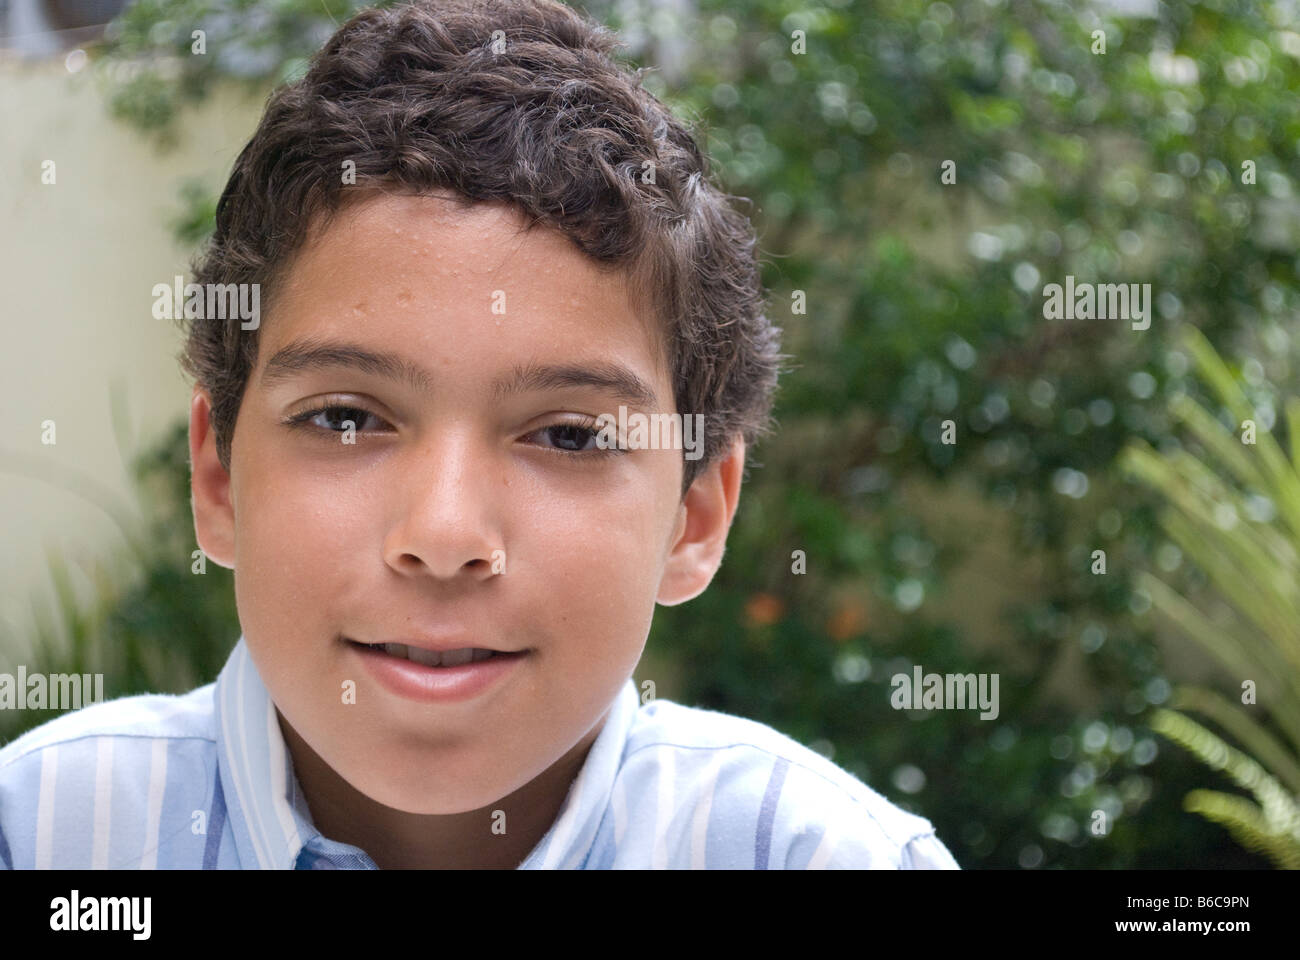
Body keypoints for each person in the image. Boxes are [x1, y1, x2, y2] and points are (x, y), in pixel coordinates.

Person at [0, 0, 958, 869]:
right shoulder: (43, 834)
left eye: (571, 437)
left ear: (695, 515)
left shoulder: (823, 857)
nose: (447, 535)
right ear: (218, 479)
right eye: (345, 418)